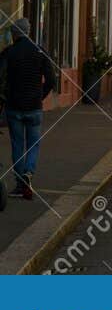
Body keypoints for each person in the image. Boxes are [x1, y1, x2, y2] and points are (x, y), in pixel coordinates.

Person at [0, 18, 57, 201]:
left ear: (14, 34)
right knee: (33, 143)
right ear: (29, 32)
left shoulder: (9, 52)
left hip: (14, 106)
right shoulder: (40, 51)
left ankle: (19, 184)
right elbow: (51, 80)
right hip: (34, 107)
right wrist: (40, 96)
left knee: (17, 144)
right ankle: (29, 172)